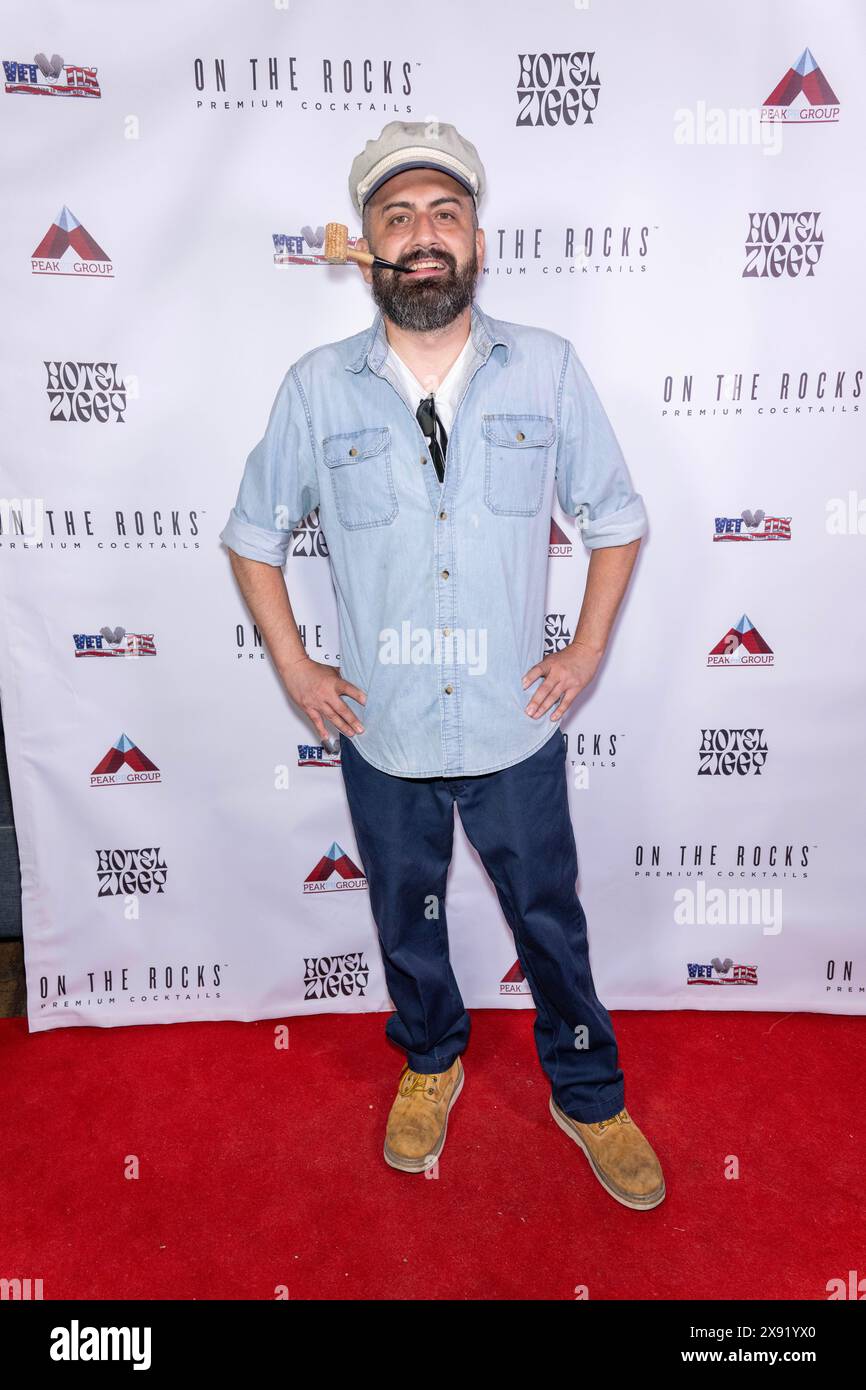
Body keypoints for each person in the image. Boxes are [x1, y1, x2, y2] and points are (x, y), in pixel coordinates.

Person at [219, 120, 664, 1210]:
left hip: (513, 727)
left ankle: (588, 1091)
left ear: (475, 241)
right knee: (404, 916)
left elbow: (615, 517)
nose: (422, 236)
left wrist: (585, 649)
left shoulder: (547, 368)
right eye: (397, 216)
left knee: (548, 919)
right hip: (385, 730)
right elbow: (251, 533)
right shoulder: (317, 387)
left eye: (443, 215)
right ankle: (429, 1059)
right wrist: (297, 668)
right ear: (369, 244)